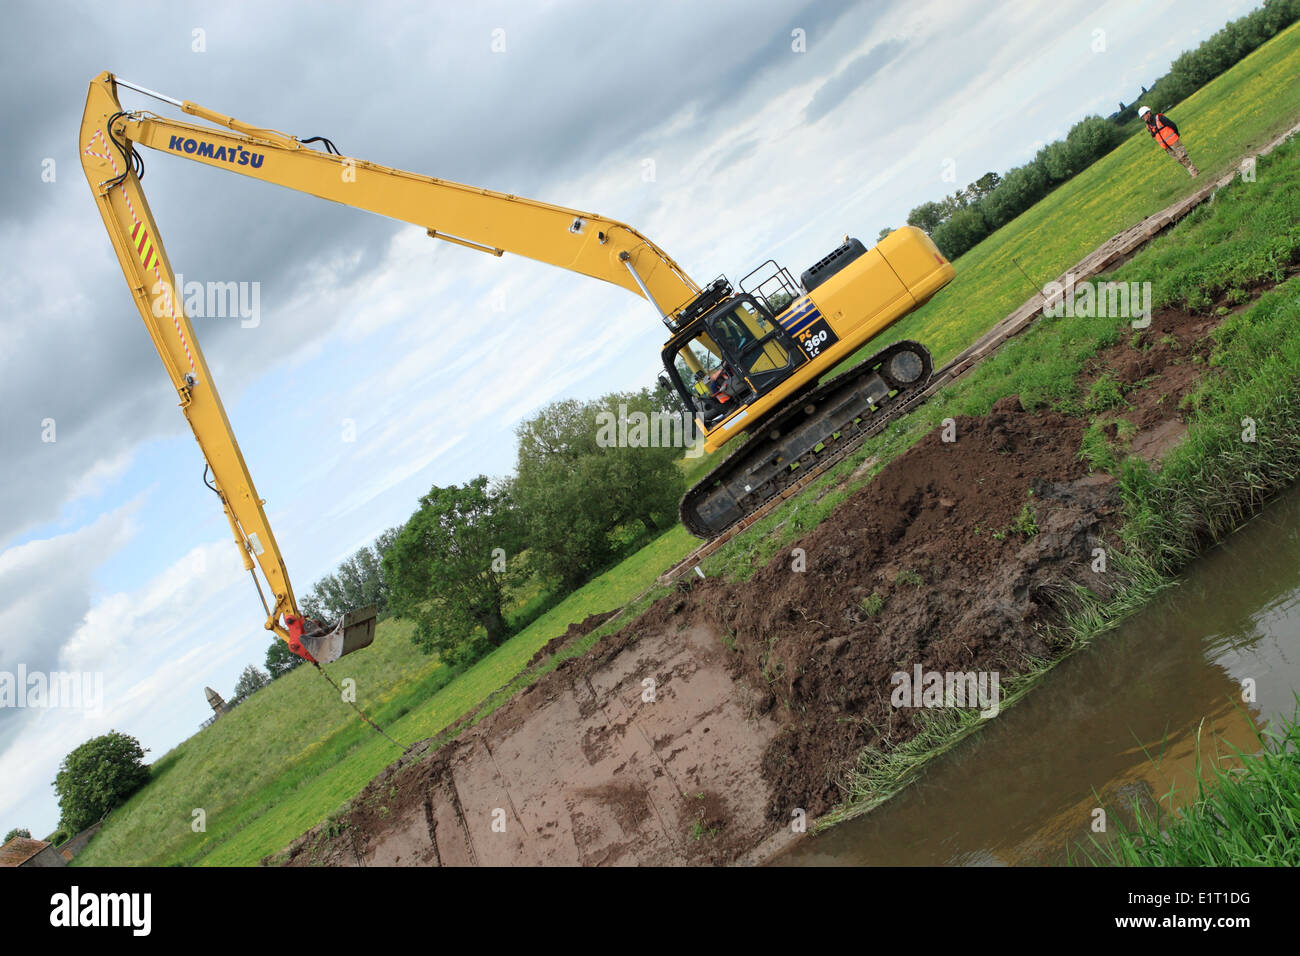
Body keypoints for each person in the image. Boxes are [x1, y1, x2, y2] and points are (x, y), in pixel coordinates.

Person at [1138, 105, 1198, 177]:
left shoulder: (1159, 118)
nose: (1143, 118)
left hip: (1173, 141)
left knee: (1183, 156)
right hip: (1165, 146)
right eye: (1142, 117)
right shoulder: (1148, 126)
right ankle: (1193, 171)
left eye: (1143, 116)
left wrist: (1176, 134)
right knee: (1179, 160)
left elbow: (1172, 125)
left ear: (1148, 113)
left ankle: (1194, 173)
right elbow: (1154, 136)